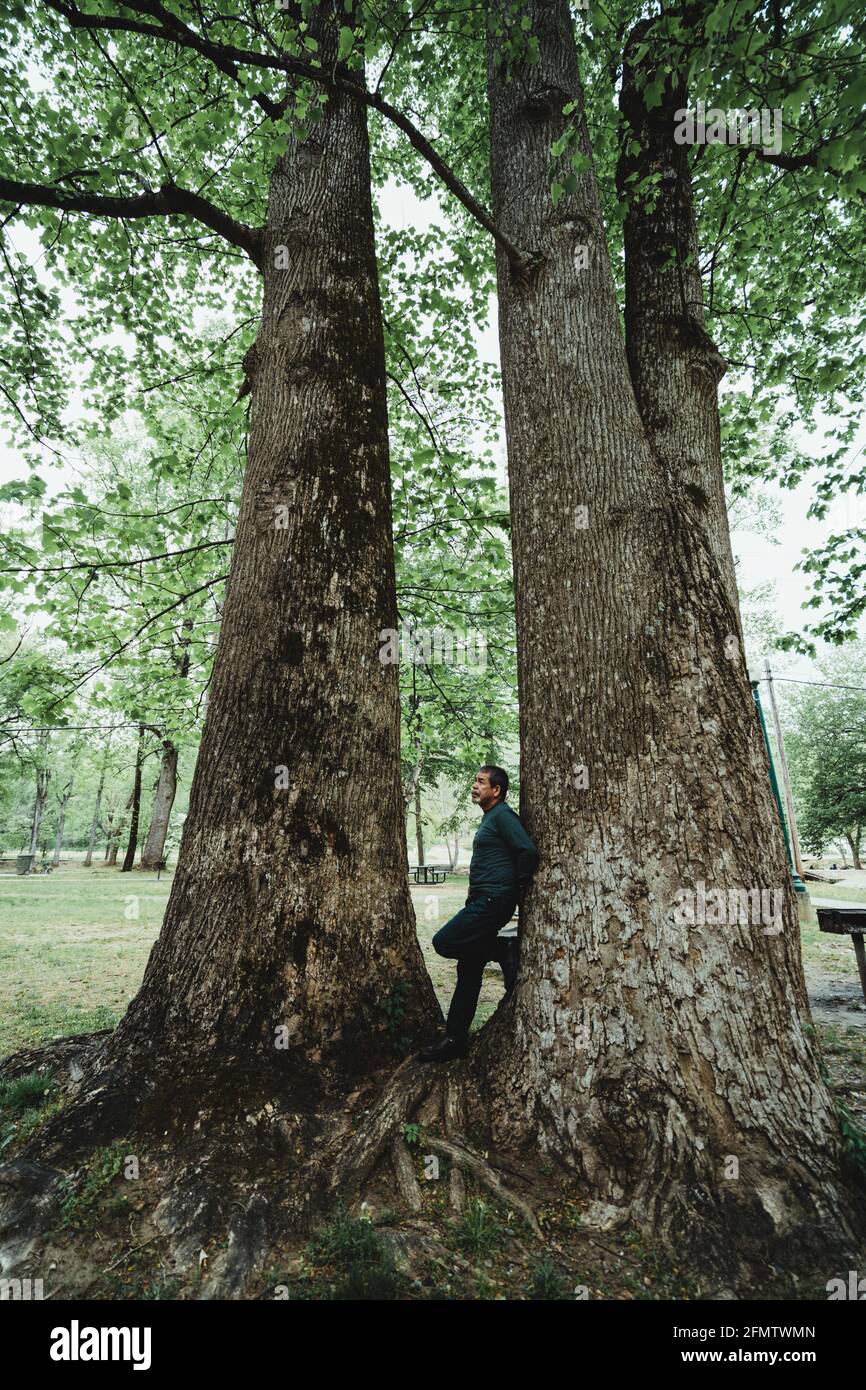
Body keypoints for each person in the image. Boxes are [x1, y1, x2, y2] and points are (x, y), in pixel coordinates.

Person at [418, 765, 538, 1063]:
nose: (475, 786)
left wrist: (515, 888)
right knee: (468, 972)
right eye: (475, 780)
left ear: (496, 790)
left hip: (492, 900)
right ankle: (455, 1040)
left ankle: (502, 948)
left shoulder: (504, 816)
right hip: (481, 900)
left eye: (481, 782)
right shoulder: (491, 818)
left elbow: (527, 851)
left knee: (444, 942)